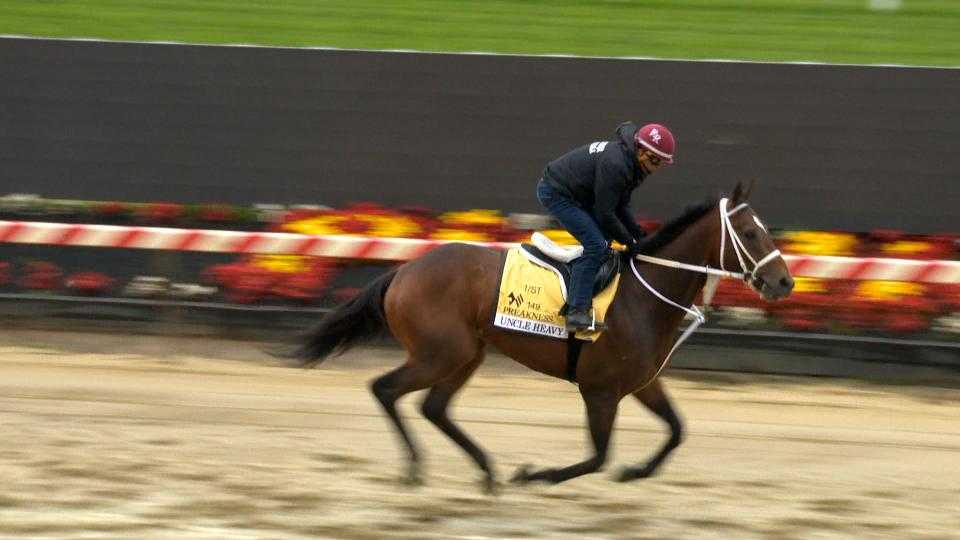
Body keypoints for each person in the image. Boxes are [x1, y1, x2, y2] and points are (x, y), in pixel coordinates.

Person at [536, 121, 676, 332]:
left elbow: (620, 205)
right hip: (557, 194)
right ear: (645, 154)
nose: (660, 168)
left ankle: (589, 294)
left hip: (578, 194)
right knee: (597, 246)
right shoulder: (617, 165)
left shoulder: (631, 160)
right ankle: (576, 312)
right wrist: (630, 242)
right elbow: (605, 214)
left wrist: (638, 235)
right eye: (660, 163)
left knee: (605, 240)